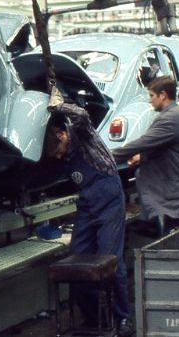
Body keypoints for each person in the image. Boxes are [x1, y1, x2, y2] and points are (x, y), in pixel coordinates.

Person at [44, 87, 134, 337]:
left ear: (63, 135)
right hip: (87, 205)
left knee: (110, 259)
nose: (60, 157)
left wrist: (59, 107)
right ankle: (97, 316)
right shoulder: (62, 152)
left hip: (109, 201)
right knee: (78, 260)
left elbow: (82, 115)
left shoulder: (81, 135)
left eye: (59, 150)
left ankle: (123, 318)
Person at [111, 77, 179, 236]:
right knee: (173, 231)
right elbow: (158, 145)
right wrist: (143, 156)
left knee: (174, 234)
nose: (150, 100)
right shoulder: (175, 114)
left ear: (163, 95)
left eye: (152, 95)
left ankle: (152, 225)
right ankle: (152, 223)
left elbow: (143, 142)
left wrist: (107, 156)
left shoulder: (171, 118)